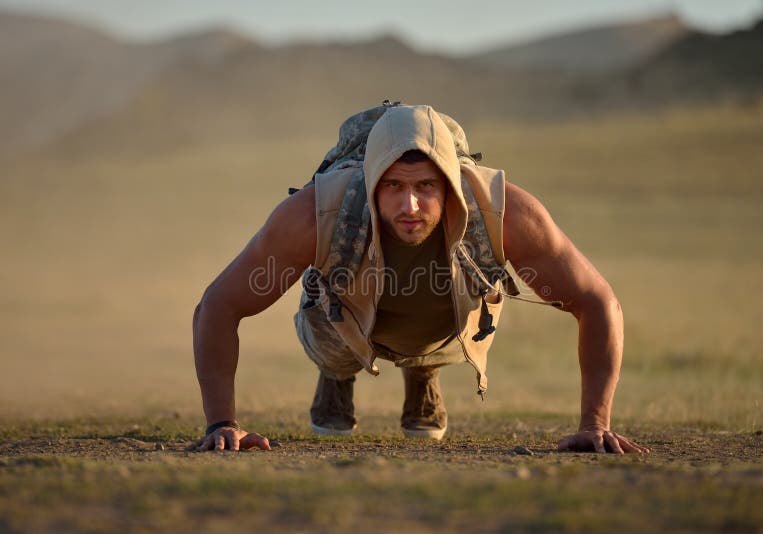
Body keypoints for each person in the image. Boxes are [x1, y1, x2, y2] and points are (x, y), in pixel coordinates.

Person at [191, 103, 649, 454]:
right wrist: (221, 424)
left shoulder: (503, 211)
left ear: (450, 182)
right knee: (327, 329)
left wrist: (595, 424)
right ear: (371, 181)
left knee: (444, 305)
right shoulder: (315, 213)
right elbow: (219, 305)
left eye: (426, 186)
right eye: (393, 186)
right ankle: (336, 376)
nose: (410, 205)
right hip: (342, 325)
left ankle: (422, 372)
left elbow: (596, 301)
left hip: (446, 327)